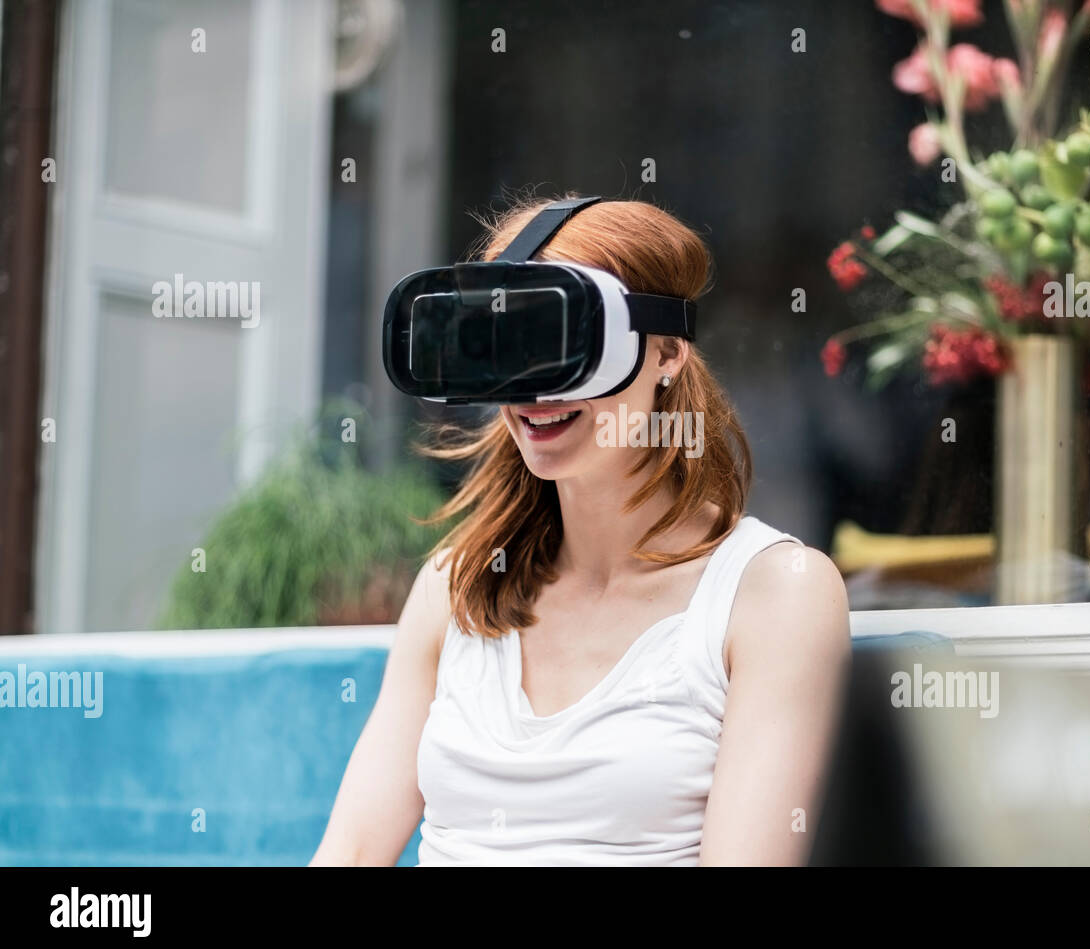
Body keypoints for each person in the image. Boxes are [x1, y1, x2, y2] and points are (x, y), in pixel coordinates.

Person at [311, 194, 850, 865]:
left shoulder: (776, 593)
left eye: (567, 346)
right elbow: (353, 851)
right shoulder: (456, 585)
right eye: (507, 348)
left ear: (668, 352)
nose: (535, 394)